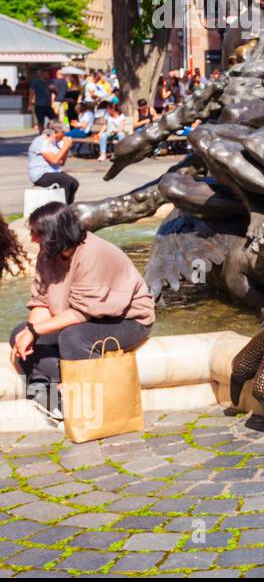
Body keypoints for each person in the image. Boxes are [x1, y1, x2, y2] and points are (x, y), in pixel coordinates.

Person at [8, 202, 154, 419]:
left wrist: (36, 331)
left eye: (37, 234)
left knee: (73, 338)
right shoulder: (48, 253)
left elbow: (82, 312)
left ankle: (81, 400)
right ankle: (46, 390)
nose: (32, 239)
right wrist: (30, 331)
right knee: (19, 333)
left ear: (54, 234)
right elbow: (41, 301)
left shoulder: (93, 252)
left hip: (128, 320)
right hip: (81, 317)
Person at [27, 122, 78, 204]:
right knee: (67, 182)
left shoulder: (54, 142)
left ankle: (68, 207)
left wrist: (67, 148)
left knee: (74, 183)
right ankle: (63, 209)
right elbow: (53, 160)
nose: (64, 135)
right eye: (63, 133)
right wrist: (65, 147)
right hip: (41, 174)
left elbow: (61, 162)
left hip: (53, 172)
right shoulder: (41, 141)